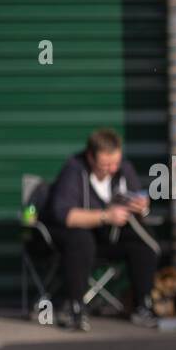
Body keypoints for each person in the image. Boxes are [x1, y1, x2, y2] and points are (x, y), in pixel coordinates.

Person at [47, 128, 161, 331]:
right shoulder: (73, 170)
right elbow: (65, 215)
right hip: (78, 241)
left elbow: (140, 198)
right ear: (91, 157)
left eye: (115, 163)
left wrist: (142, 205)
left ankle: (143, 306)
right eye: (105, 164)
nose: (112, 169)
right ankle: (75, 308)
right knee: (81, 240)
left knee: (143, 242)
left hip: (110, 237)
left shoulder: (123, 168)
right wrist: (105, 216)